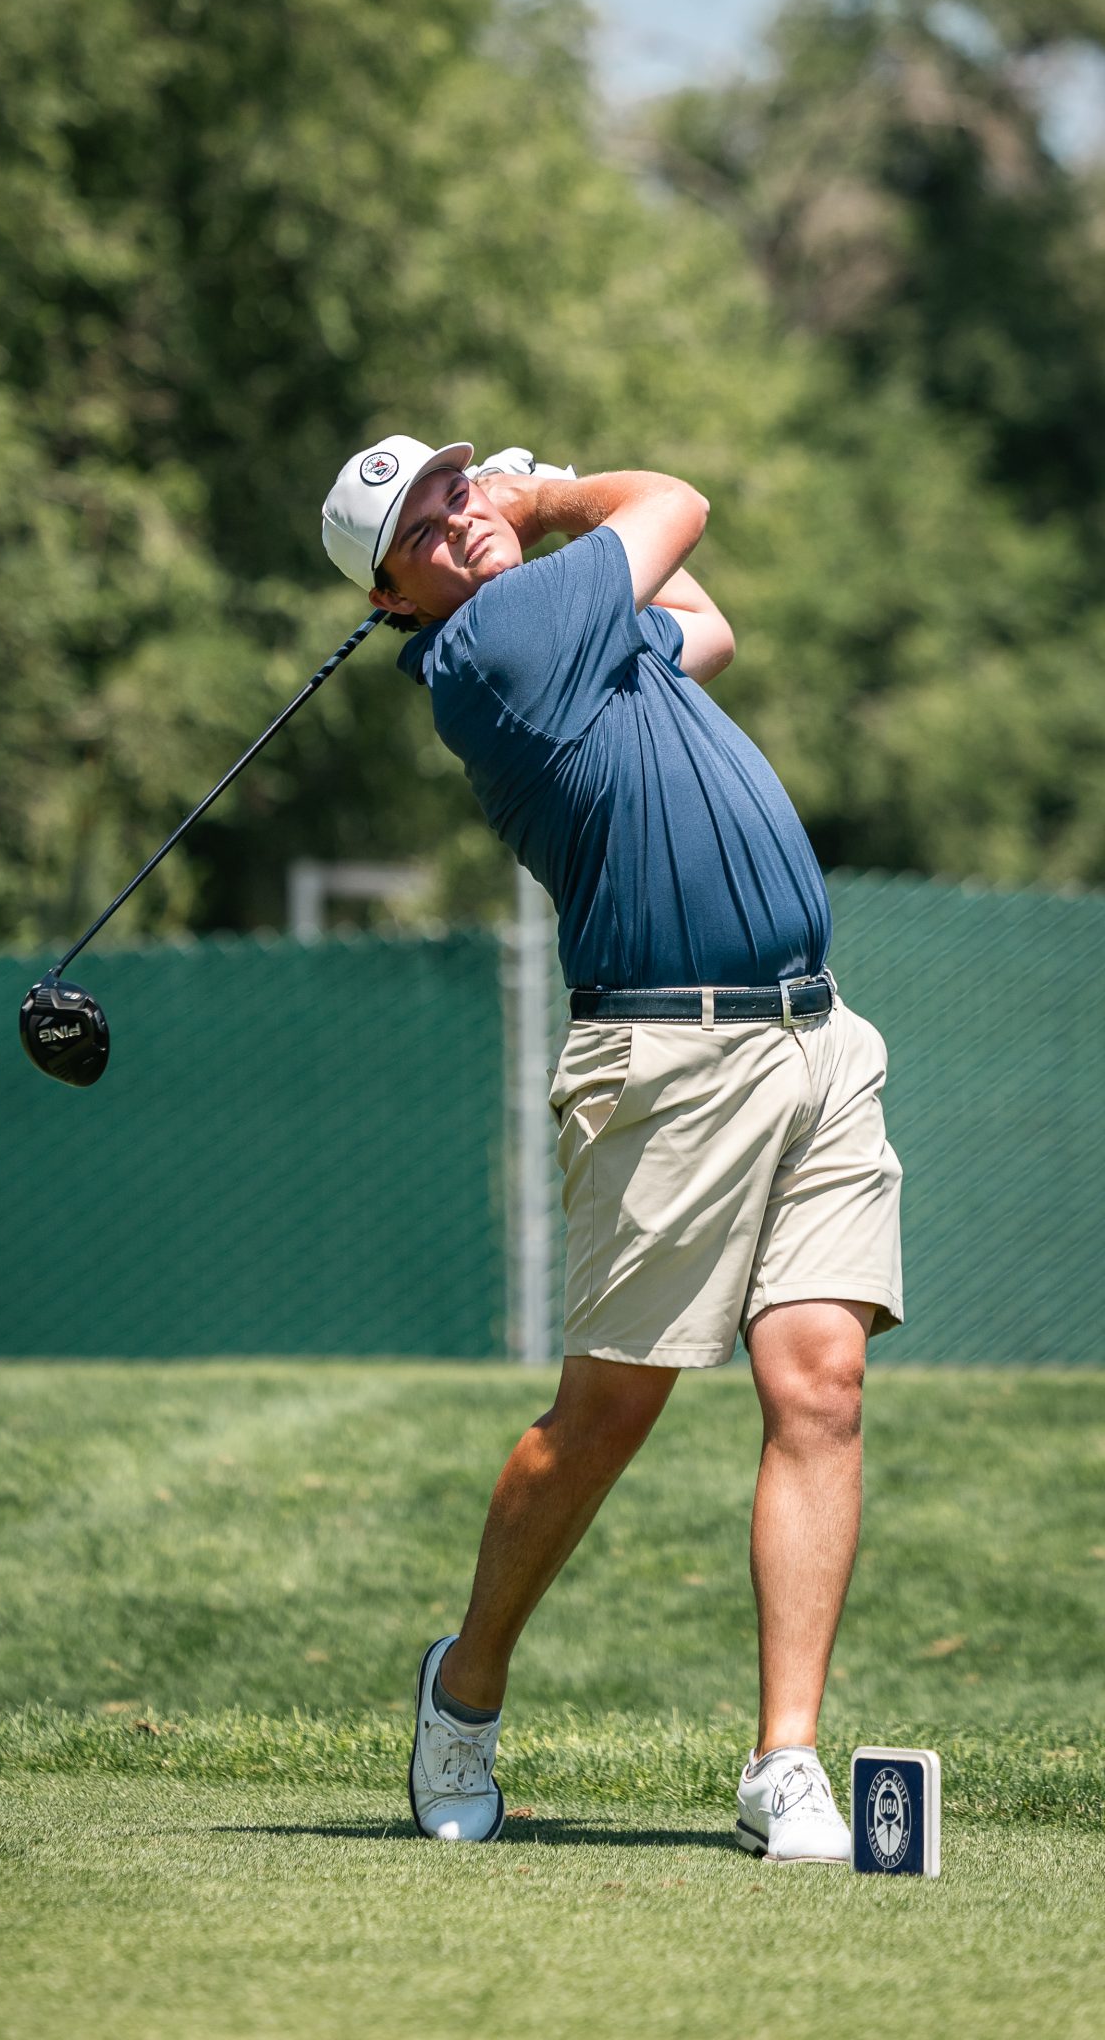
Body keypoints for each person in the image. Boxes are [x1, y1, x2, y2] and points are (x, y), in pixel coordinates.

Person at [320, 434, 903, 1863]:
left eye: (461, 488)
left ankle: (785, 1766)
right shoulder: (495, 650)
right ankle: (464, 1691)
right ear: (395, 599)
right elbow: (678, 505)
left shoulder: (586, 641)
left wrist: (543, 512)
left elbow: (705, 624)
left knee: (819, 1389)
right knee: (603, 1424)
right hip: (669, 1063)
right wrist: (553, 488)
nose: (463, 518)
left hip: (816, 1041)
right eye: (428, 526)